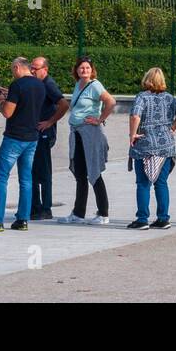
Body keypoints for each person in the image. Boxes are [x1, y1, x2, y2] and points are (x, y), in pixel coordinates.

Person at [0, 58, 43, 232]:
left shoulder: (17, 85)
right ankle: (23, 220)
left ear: (17, 67)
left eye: (12, 69)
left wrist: (1, 101)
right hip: (32, 138)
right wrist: (10, 96)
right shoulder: (39, 85)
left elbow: (7, 112)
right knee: (26, 179)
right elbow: (27, 105)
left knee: (1, 178)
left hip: (15, 137)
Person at [126, 67, 176, 230]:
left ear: (146, 79)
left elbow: (135, 116)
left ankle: (142, 219)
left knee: (143, 183)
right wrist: (173, 127)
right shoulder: (169, 98)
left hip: (145, 145)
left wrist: (132, 134)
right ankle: (163, 218)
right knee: (161, 183)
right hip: (165, 146)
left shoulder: (142, 97)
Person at [59, 57, 115, 225]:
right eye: (81, 68)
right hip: (77, 133)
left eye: (87, 68)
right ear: (76, 70)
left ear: (92, 70)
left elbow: (111, 102)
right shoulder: (78, 85)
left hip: (90, 134)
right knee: (80, 173)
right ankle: (78, 213)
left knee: (94, 172)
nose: (84, 70)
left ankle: (103, 213)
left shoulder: (95, 85)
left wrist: (100, 119)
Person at [30, 56, 69, 221]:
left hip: (44, 134)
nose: (32, 70)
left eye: (35, 68)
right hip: (35, 133)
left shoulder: (48, 84)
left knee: (43, 171)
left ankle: (45, 208)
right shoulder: (38, 83)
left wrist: (50, 122)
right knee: (33, 170)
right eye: (31, 67)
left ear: (45, 70)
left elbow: (64, 104)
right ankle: (35, 206)